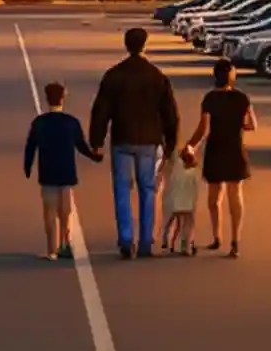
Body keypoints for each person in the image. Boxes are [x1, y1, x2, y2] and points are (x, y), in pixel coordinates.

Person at [90, 27, 180, 260]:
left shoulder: (114, 75)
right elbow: (169, 113)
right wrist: (171, 143)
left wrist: (96, 141)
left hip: (122, 138)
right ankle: (146, 241)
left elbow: (101, 111)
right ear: (144, 45)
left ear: (126, 45)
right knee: (147, 189)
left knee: (122, 188)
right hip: (149, 140)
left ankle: (125, 238)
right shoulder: (157, 76)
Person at [184, 58, 257, 259]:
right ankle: (235, 241)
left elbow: (203, 130)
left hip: (215, 149)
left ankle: (217, 236)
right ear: (231, 75)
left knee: (214, 198)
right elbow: (252, 125)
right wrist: (241, 124)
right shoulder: (242, 98)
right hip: (235, 149)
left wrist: (190, 146)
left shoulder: (210, 99)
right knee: (235, 196)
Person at [24, 81, 102, 261]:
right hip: (66, 172)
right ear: (63, 98)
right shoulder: (71, 122)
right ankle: (65, 244)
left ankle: (51, 249)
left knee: (49, 211)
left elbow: (30, 147)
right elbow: (81, 146)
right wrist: (94, 156)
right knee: (65, 211)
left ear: (46, 99)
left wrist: (27, 166)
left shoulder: (39, 123)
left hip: (47, 172)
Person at [159, 146, 199, 256]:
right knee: (188, 224)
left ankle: (166, 242)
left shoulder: (175, 171)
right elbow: (195, 190)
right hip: (188, 205)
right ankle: (186, 246)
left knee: (170, 223)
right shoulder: (194, 173)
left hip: (174, 203)